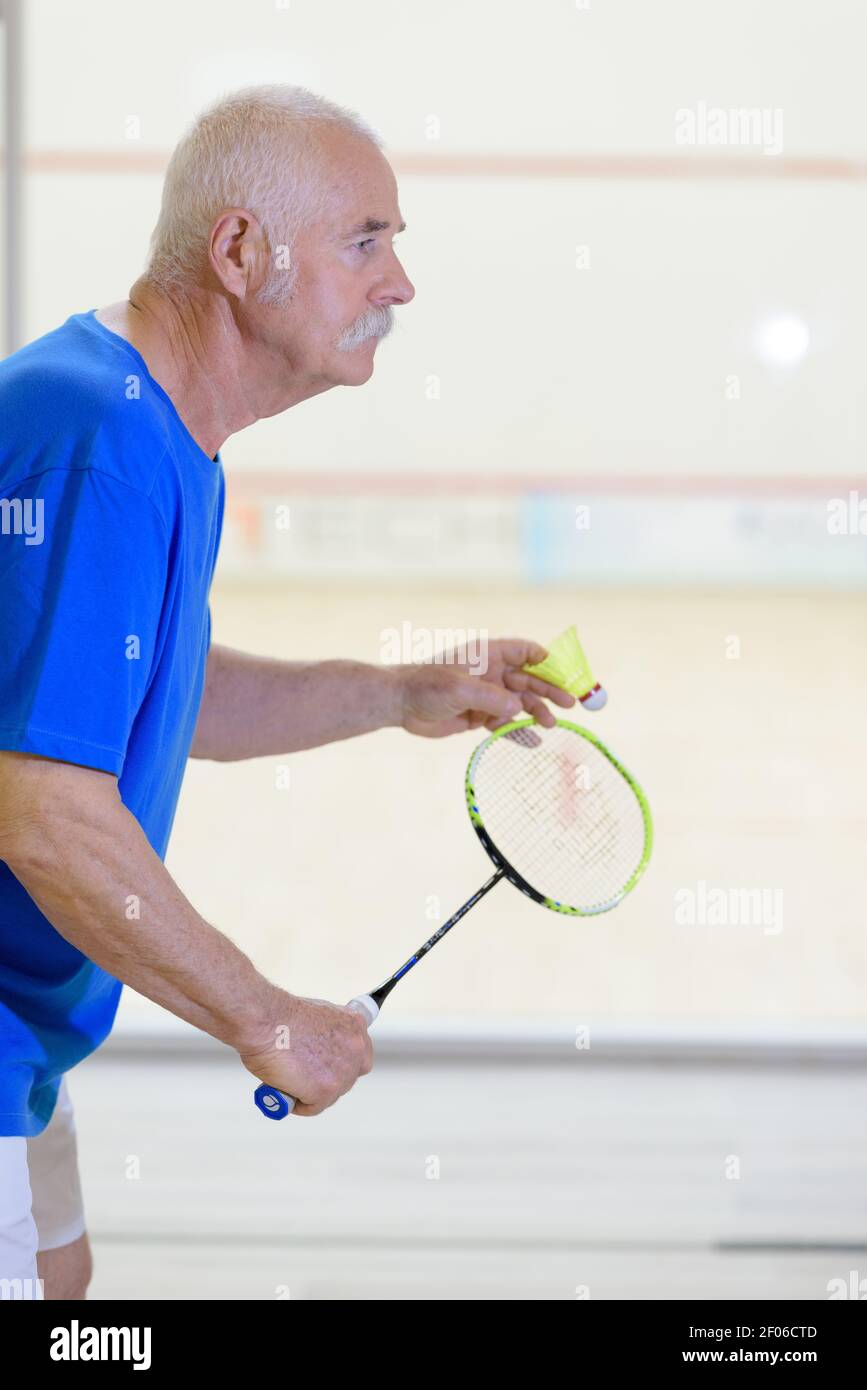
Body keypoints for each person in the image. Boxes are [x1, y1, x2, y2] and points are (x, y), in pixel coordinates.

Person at [0, 85, 574, 1300]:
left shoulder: (156, 432)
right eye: (367, 240)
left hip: (23, 1037)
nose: (401, 284)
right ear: (241, 250)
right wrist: (264, 1018)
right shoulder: (92, 434)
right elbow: (44, 807)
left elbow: (157, 700)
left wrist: (398, 694)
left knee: (62, 1287)